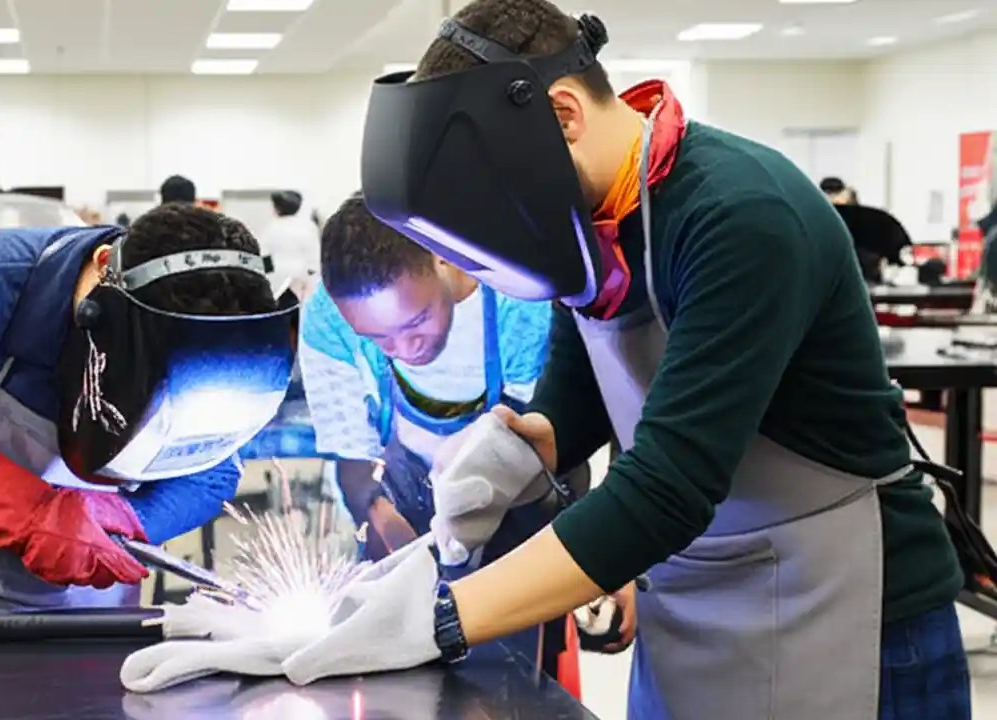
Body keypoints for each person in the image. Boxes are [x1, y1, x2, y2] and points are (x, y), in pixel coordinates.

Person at [136, 3, 972, 718]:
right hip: (699, 601)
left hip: (851, 619)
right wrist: (515, 455)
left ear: (563, 115)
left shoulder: (739, 218)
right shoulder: (598, 223)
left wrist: (438, 615)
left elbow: (667, 486)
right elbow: (577, 406)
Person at [0, 204, 297, 609]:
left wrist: (127, 520)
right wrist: (21, 510)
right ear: (103, 269)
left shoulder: (227, 344)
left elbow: (212, 472)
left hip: (99, 625)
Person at [299, 197, 579, 672]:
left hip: (522, 507)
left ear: (441, 257)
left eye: (416, 323)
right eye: (379, 340)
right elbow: (353, 461)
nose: (405, 350)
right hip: (408, 501)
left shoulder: (518, 298)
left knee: (516, 675)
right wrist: (391, 533)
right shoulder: (329, 321)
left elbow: (544, 442)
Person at [259, 190, 321, 298]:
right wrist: (311, 278)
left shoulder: (271, 228)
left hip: (276, 279)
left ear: (277, 208)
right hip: (301, 278)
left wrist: (267, 277)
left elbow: (265, 257)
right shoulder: (308, 227)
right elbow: (314, 258)